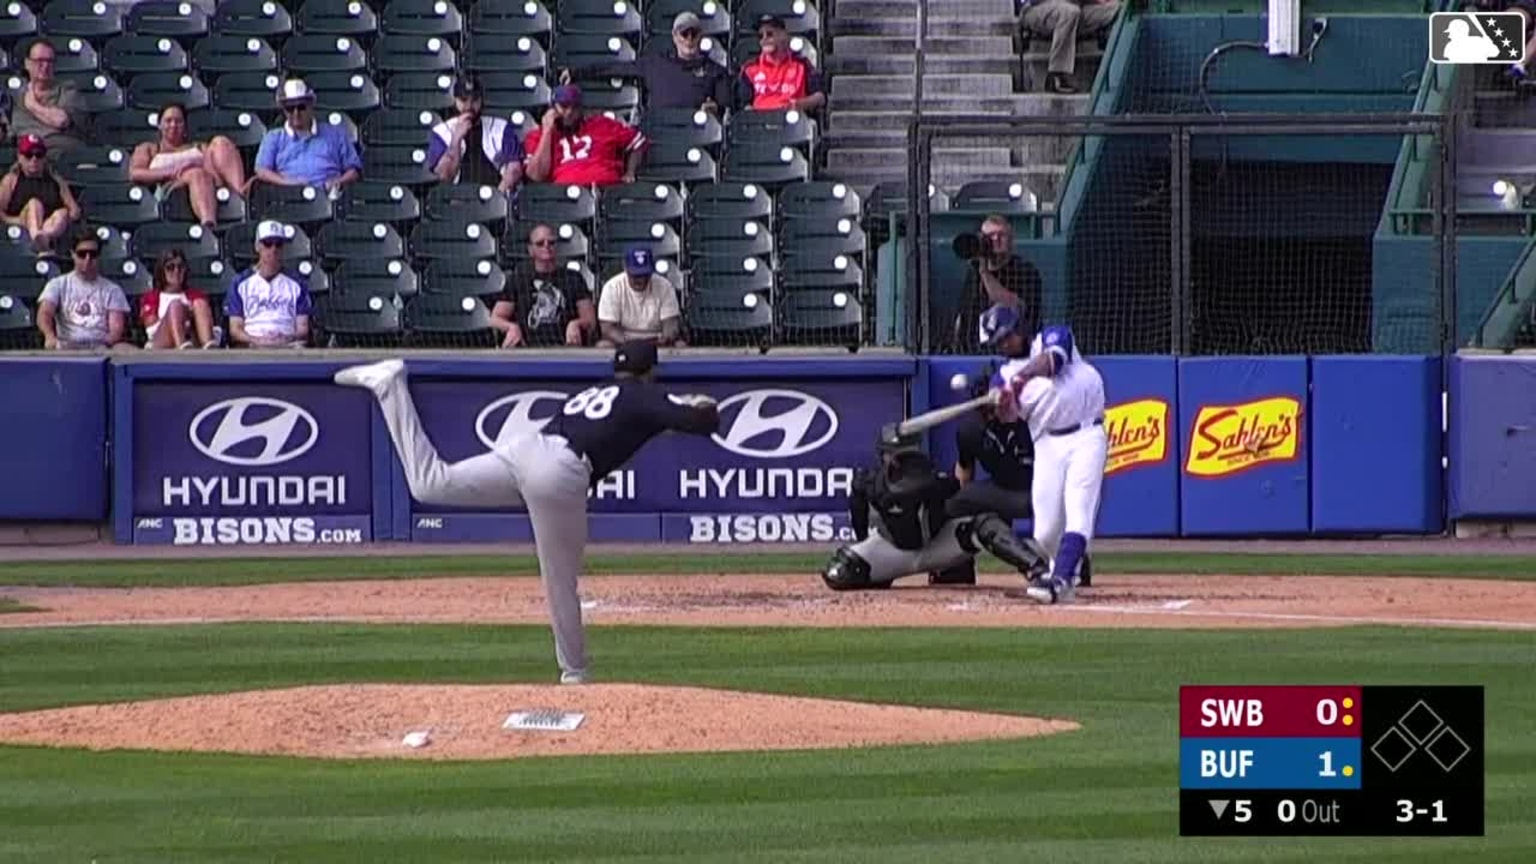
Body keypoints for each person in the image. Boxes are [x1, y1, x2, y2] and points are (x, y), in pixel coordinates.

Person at [333, 340, 721, 684]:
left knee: (430, 484)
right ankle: (575, 672)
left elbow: (638, 421)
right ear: (649, 372)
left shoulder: (597, 392)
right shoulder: (642, 394)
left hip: (528, 448)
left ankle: (389, 387)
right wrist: (702, 404)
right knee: (560, 580)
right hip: (560, 469)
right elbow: (703, 422)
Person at [981, 303, 1107, 605]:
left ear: (1019, 328)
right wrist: (1000, 403)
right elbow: (1009, 418)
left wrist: (1022, 377)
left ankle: (1062, 579)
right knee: (1046, 531)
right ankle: (1072, 561)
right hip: (1047, 443)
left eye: (1006, 337)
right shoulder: (1001, 376)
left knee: (1079, 509)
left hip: (1087, 434)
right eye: (998, 342)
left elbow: (1053, 363)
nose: (1004, 344)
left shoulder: (1052, 336)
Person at [819, 427, 1050, 592]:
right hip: (892, 550)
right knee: (840, 572)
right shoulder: (869, 482)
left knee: (983, 524)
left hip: (936, 547)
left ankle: (1037, 569)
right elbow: (859, 516)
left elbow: (952, 498)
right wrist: (864, 542)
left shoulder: (934, 479)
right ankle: (880, 576)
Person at [949, 364, 1091, 587]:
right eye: (985, 409)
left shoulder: (1035, 419)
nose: (992, 413)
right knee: (955, 503)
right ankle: (956, 568)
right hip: (1001, 489)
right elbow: (964, 472)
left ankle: (1072, 561)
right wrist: (963, 497)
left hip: (1040, 487)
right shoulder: (970, 431)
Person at [565, 12, 733, 113]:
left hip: (698, 134)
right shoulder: (655, 63)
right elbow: (615, 68)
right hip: (659, 133)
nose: (689, 39)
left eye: (694, 33)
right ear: (675, 36)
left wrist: (714, 109)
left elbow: (724, 105)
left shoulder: (715, 70)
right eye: (684, 34)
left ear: (701, 36)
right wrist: (577, 73)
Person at [128, 103, 248, 229]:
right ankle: (209, 223)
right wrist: (172, 171)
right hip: (169, 189)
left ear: (185, 125)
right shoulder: (150, 148)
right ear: (160, 125)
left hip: (205, 184)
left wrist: (195, 164)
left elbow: (215, 178)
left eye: (178, 121)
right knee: (196, 173)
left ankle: (240, 193)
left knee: (220, 142)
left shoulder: (198, 147)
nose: (173, 125)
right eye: (168, 121)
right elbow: (136, 173)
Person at [492, 223, 597, 347]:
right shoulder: (517, 278)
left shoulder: (574, 278)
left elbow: (591, 321)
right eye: (540, 243)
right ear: (530, 249)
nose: (546, 246)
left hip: (566, 349)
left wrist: (576, 324)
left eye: (551, 243)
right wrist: (511, 327)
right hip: (528, 350)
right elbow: (495, 318)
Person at [252, 78, 363, 194]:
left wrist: (338, 181)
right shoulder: (273, 138)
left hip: (329, 195)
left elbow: (353, 170)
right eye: (290, 108)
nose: (296, 113)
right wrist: (289, 183)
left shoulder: (336, 134)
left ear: (310, 105)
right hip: (288, 198)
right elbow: (262, 171)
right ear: (284, 111)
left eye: (301, 107)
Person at [523, 85, 648, 186]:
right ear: (553, 108)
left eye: (575, 107)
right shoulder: (538, 136)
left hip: (607, 189)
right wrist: (547, 131)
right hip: (564, 197)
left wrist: (630, 172)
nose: (570, 112)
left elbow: (637, 142)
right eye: (564, 106)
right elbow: (535, 175)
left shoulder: (603, 124)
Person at [951, 215, 1042, 354]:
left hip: (1011, 353)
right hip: (974, 352)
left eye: (1001, 235)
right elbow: (964, 314)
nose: (995, 240)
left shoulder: (1025, 270)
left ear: (1011, 240)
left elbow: (1013, 304)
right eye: (990, 236)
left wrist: (985, 273)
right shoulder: (974, 272)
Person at [426, 75, 525, 194]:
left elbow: (515, 168)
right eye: (463, 100)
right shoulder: (441, 132)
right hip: (458, 200)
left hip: (496, 197)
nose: (469, 106)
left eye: (474, 100)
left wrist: (498, 198)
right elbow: (444, 176)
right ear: (455, 100)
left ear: (481, 100)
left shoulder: (500, 127)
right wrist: (456, 139)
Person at [36, 232, 132, 350]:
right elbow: (44, 313)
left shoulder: (113, 290)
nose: (88, 259)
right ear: (73, 254)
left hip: (101, 347)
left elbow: (116, 330)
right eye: (82, 254)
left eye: (93, 254)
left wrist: (99, 346)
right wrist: (49, 336)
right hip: (66, 346)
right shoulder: (58, 284)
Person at [224, 220, 313, 348]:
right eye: (267, 244)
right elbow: (235, 329)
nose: (273, 249)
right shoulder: (240, 283)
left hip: (288, 345)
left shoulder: (297, 284)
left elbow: (303, 328)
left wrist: (284, 339)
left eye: (278, 244)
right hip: (252, 346)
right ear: (257, 247)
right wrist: (258, 340)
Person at [0, 133, 81, 253]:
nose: (34, 160)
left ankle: (42, 241)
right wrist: (17, 221)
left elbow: (75, 210)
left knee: (62, 213)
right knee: (34, 204)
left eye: (39, 155)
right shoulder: (11, 180)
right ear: (20, 157)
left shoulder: (55, 180)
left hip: (51, 226)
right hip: (21, 225)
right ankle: (39, 242)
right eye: (28, 155)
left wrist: (63, 220)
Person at [1018, 0, 1121, 94]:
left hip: (1077, 7)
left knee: (1117, 8)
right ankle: (1056, 74)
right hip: (1036, 8)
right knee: (1069, 11)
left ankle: (1113, 73)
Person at [8, 39, 90, 152]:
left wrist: (33, 105)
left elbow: (61, 121)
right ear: (27, 63)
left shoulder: (68, 90)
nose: (45, 66)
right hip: (27, 157)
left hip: (61, 152)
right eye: (39, 61)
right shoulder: (16, 95)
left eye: (49, 61)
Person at [596, 246, 684, 347]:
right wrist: (632, 344)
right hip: (624, 341)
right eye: (636, 275)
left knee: (680, 345)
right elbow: (607, 329)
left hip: (657, 340)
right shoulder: (612, 287)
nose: (641, 280)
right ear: (626, 269)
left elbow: (671, 325)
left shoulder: (665, 286)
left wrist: (665, 338)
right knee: (604, 345)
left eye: (645, 274)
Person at [736, 14, 826, 113]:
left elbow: (820, 97)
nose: (764, 39)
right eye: (761, 36)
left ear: (783, 36)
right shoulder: (750, 69)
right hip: (759, 123)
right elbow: (744, 104)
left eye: (770, 34)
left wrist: (800, 104)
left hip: (793, 122)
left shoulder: (801, 65)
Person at [139, 248, 218, 349]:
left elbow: (208, 324)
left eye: (181, 267)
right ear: (162, 271)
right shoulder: (151, 297)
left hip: (193, 338)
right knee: (175, 306)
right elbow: (151, 330)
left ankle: (208, 346)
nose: (176, 271)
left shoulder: (196, 295)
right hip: (162, 341)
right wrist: (179, 316)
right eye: (170, 267)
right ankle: (181, 346)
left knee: (200, 303)